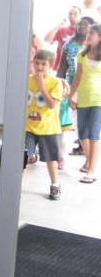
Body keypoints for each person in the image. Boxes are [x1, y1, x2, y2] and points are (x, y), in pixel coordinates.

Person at [25, 50, 63, 200]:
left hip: (47, 128)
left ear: (50, 66)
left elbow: (52, 104)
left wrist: (42, 86)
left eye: (43, 64)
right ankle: (15, 185)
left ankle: (55, 184)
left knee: (50, 158)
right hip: (28, 126)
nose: (39, 67)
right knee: (22, 156)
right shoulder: (27, 79)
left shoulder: (55, 82)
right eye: (37, 63)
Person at [68, 23, 101, 184]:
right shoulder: (81, 54)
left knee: (94, 135)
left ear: (100, 37)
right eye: (88, 33)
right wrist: (70, 96)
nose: (88, 36)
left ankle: (91, 170)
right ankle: (90, 161)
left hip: (99, 100)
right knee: (82, 134)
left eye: (92, 34)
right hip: (84, 98)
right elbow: (77, 78)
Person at [57, 16, 92, 158]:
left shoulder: (94, 46)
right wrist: (59, 84)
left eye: (85, 25)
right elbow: (62, 67)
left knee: (87, 119)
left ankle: (86, 148)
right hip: (72, 86)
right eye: (79, 25)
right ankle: (80, 146)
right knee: (73, 119)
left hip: (89, 88)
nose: (81, 27)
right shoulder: (69, 45)